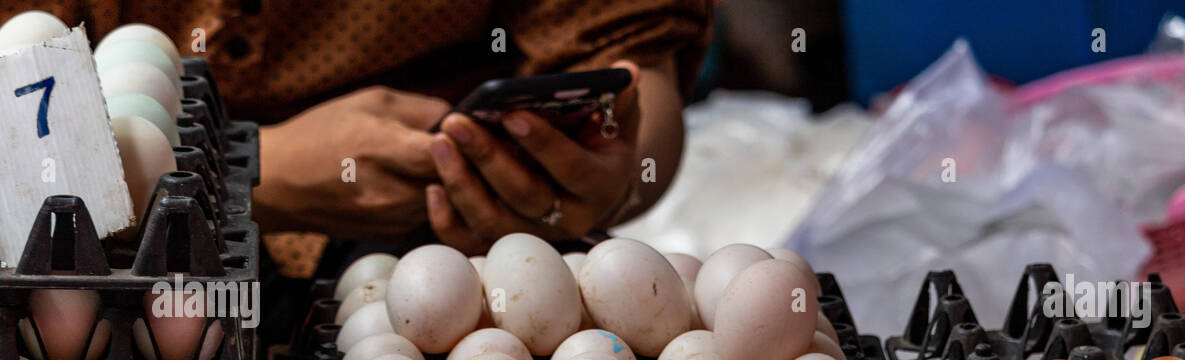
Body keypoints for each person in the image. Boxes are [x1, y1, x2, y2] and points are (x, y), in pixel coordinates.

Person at [10, 1, 712, 270]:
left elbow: (633, 61)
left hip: (451, 256)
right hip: (95, 271)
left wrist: (602, 180)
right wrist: (250, 172)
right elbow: (20, 146)